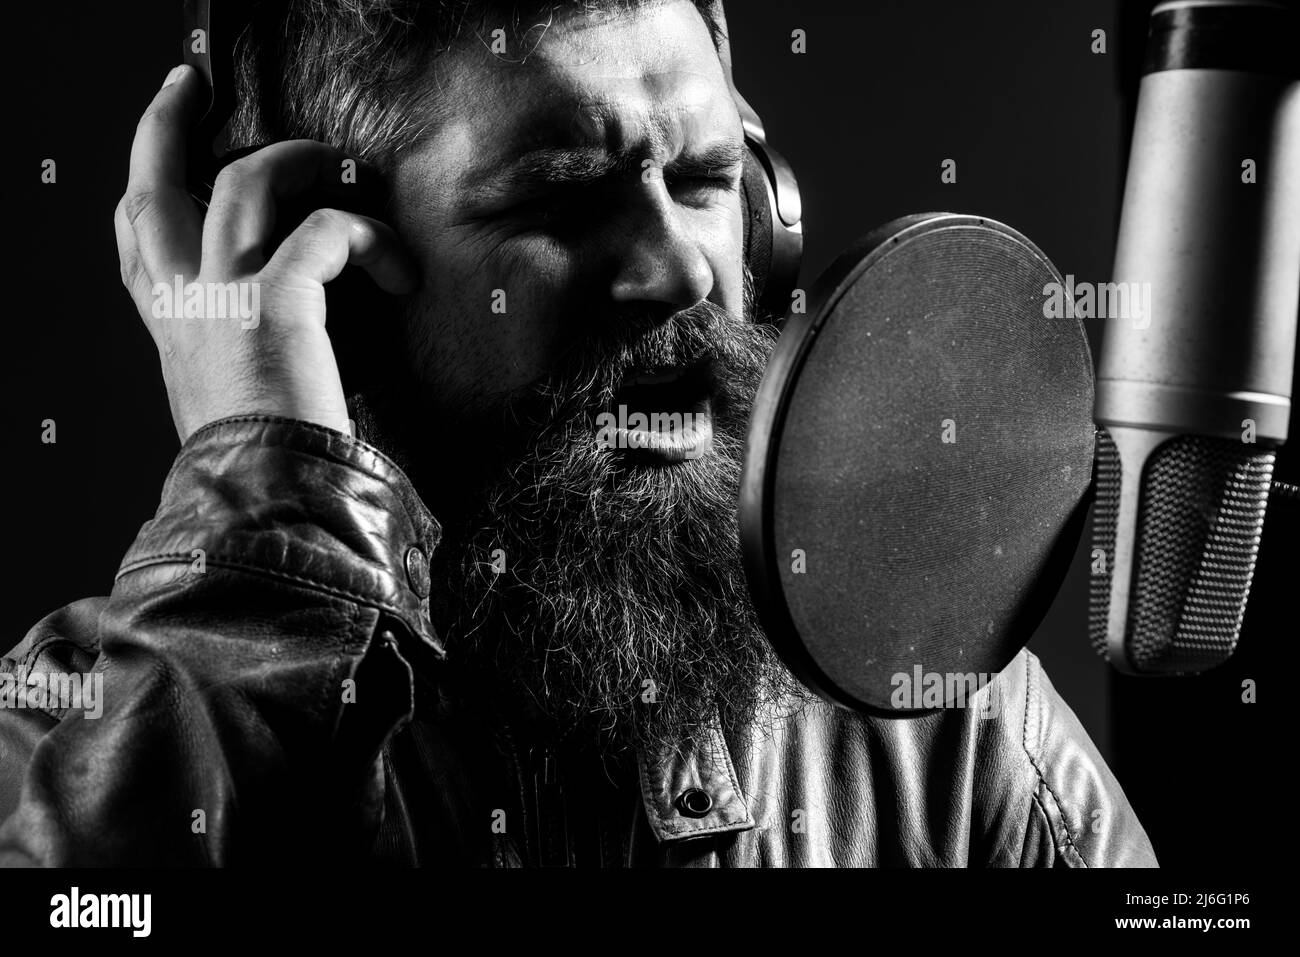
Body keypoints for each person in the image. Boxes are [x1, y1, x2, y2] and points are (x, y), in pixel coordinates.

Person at [0, 0, 1156, 867]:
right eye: (556, 198)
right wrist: (258, 584)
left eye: (704, 180)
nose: (677, 273)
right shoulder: (71, 739)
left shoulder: (950, 733)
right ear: (321, 264)